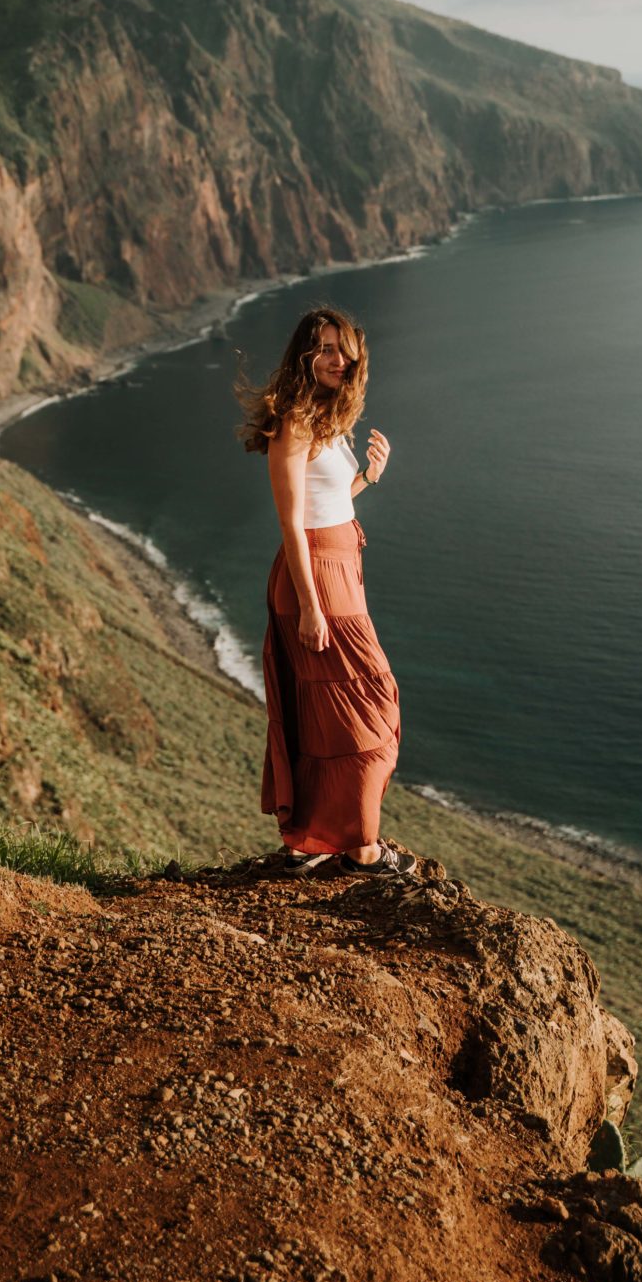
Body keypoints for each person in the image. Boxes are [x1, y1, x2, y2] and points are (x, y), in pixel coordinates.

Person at [234, 305, 415, 877]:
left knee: (329, 710)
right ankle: (360, 848)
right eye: (327, 350)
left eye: (345, 350)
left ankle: (316, 840)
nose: (340, 361)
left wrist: (367, 478)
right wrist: (311, 606)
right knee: (368, 702)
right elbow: (290, 522)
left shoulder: (326, 422)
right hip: (313, 577)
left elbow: (327, 504)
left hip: (340, 567)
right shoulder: (292, 422)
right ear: (305, 355)